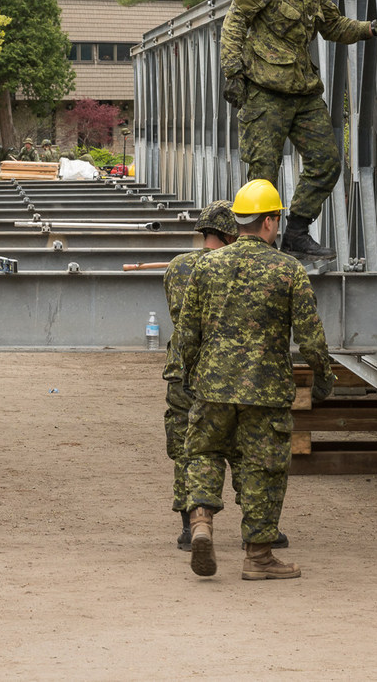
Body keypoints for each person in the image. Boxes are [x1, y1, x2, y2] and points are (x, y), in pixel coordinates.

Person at [176, 179, 336, 581]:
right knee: (264, 468)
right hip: (265, 391)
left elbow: (187, 332)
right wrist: (323, 379)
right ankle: (259, 556)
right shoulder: (288, 269)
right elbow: (311, 337)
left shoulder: (206, 267)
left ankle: (200, 522)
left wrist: (194, 376)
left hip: (212, 386)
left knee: (205, 453)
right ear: (268, 221)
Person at [218, 0, 377, 260]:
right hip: (265, 92)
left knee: (327, 161)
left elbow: (333, 25)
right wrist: (233, 73)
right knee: (262, 176)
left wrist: (370, 28)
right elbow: (235, 21)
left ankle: (296, 232)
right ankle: (257, 251)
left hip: (304, 93)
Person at [163, 200, 238, 551]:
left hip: (181, 371)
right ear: (229, 233)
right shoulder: (232, 266)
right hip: (223, 372)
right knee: (242, 448)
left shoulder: (178, 266)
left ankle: (188, 527)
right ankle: (260, 526)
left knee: (186, 448)